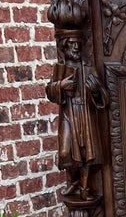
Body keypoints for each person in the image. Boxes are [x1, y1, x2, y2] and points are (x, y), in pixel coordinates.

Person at [46, 32, 109, 199]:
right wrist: (61, 85)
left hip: (85, 112)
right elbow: (50, 91)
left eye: (78, 44)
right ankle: (73, 180)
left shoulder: (88, 68)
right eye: (72, 44)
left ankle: (84, 187)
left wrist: (95, 89)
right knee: (65, 151)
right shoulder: (61, 69)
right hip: (69, 112)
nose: (76, 47)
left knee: (86, 152)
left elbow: (103, 95)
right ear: (65, 45)